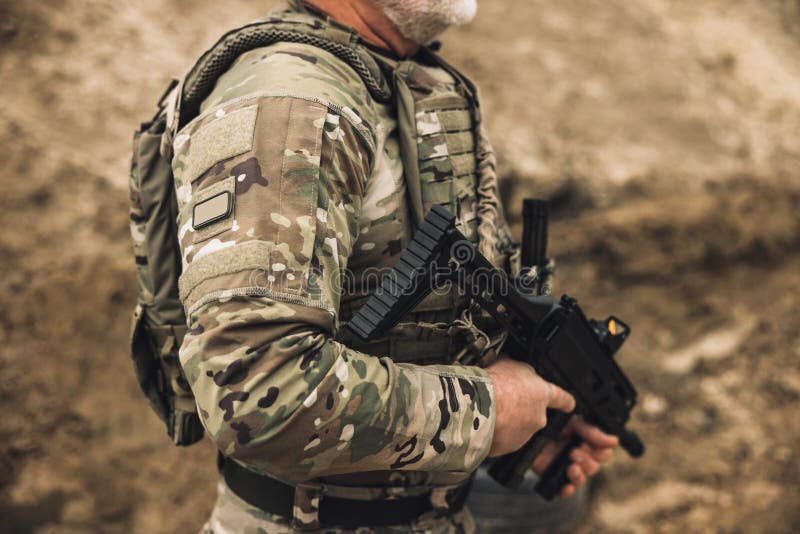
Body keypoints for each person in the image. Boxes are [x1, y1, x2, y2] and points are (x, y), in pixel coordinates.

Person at [166, 0, 618, 531]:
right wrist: (487, 413)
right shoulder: (294, 105)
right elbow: (256, 393)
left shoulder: (398, 81)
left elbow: (422, 333)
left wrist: (525, 427)